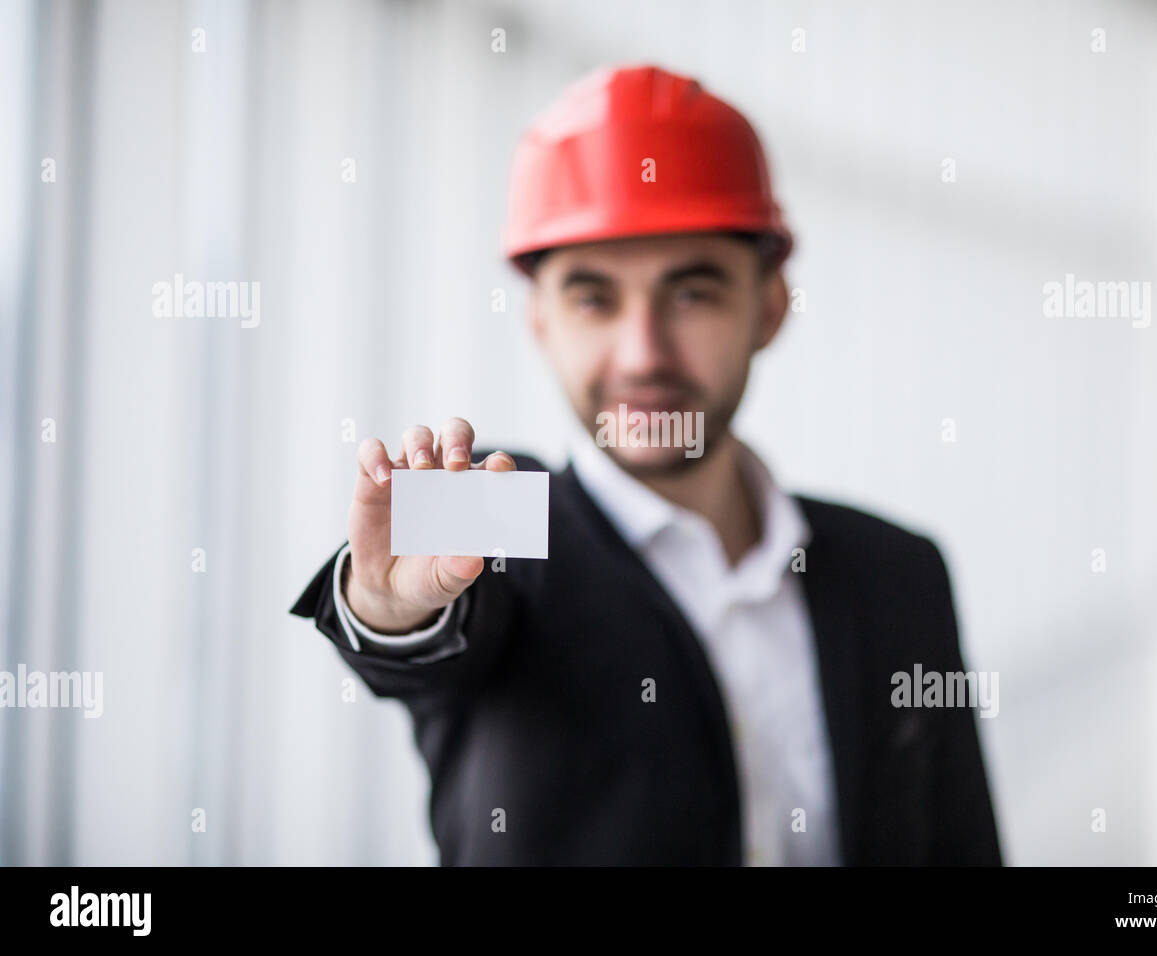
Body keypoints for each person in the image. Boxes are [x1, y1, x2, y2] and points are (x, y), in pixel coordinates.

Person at [291, 63, 1001, 866]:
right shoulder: (505, 517)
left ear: (768, 308)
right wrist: (386, 607)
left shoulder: (895, 574)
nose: (643, 354)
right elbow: (413, 614)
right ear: (539, 322)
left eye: (692, 294)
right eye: (594, 298)